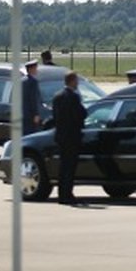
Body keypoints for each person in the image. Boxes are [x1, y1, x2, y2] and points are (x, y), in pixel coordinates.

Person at [51, 72, 87, 205]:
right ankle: (68, 194)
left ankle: (62, 194)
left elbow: (55, 117)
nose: (77, 83)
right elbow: (81, 114)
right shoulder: (73, 97)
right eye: (76, 81)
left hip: (60, 136)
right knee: (70, 167)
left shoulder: (57, 96)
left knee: (63, 166)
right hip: (72, 136)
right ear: (72, 81)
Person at [20, 60, 43, 132]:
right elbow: (34, 99)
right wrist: (36, 114)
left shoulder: (22, 81)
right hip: (30, 114)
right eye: (35, 68)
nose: (36, 70)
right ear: (31, 69)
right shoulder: (33, 82)